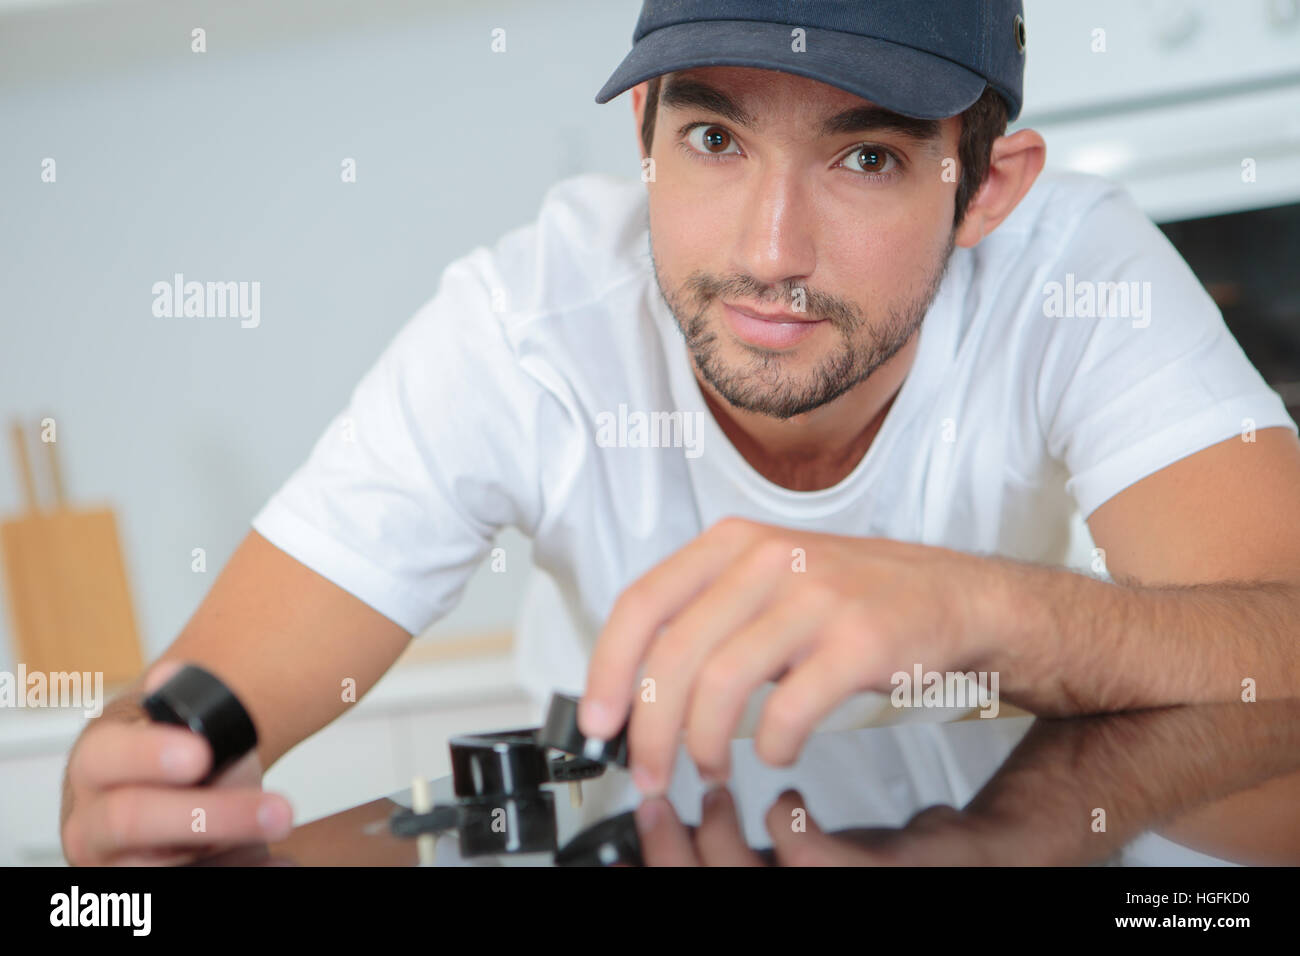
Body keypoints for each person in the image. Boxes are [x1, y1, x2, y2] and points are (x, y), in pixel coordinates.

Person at [61, 0, 1300, 865]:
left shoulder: (1077, 270)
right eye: (714, 139)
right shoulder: (522, 323)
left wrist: (984, 610)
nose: (770, 251)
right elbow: (181, 719)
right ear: (644, 133)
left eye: (866, 157)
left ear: (984, 188)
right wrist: (124, 780)